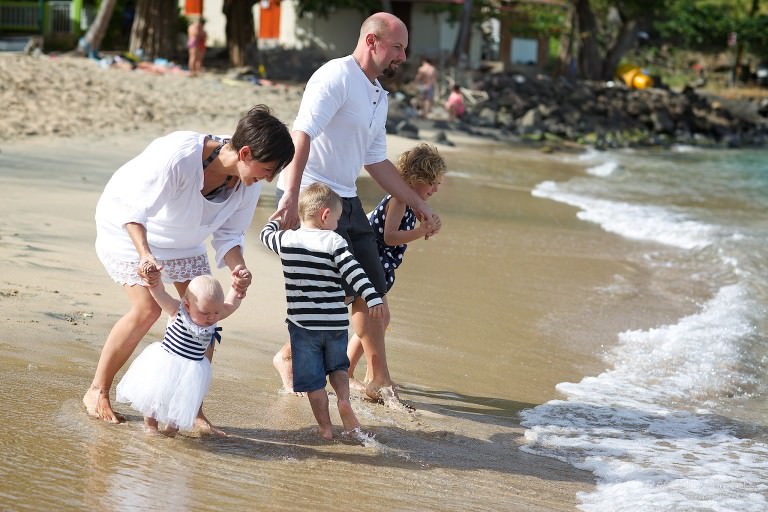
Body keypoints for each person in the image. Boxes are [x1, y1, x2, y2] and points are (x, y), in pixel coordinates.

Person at [83, 104, 295, 431]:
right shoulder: (179, 155)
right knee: (148, 310)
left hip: (184, 239)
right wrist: (145, 255)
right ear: (246, 153)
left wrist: (239, 268)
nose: (268, 179)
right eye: (268, 169)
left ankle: (192, 409)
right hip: (130, 229)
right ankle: (97, 390)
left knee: (205, 316)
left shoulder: (246, 183)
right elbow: (133, 209)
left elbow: (229, 234)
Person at [271, 12, 440, 405]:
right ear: (371, 41)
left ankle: (376, 377)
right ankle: (301, 360)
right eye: (397, 47)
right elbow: (303, 134)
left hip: (346, 197)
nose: (402, 56)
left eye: (404, 48)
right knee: (327, 296)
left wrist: (419, 204)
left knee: (372, 285)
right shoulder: (336, 77)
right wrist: (291, 196)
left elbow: (376, 161)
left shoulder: (379, 95)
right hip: (313, 196)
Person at [260, 183, 385, 440]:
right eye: (337, 219)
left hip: (303, 327)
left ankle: (325, 428)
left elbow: (265, 236)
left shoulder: (286, 239)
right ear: (326, 215)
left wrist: (276, 221)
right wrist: (372, 298)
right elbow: (355, 272)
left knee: (314, 383)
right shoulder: (334, 240)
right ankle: (343, 401)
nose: (338, 225)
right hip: (335, 323)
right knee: (338, 368)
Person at [347, 143, 445, 381]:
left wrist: (430, 225)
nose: (434, 189)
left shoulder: (410, 203)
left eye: (437, 184)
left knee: (381, 318)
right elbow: (389, 237)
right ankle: (357, 373)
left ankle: (348, 370)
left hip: (381, 264)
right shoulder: (399, 201)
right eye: (431, 183)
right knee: (376, 317)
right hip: (372, 262)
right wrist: (421, 231)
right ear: (414, 178)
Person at [116, 273, 244, 435]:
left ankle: (171, 430)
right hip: (167, 363)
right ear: (187, 305)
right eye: (205, 313)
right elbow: (160, 293)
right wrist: (153, 281)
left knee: (182, 401)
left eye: (216, 312)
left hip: (193, 371)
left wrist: (237, 288)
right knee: (156, 396)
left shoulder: (215, 314)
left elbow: (231, 304)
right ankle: (150, 426)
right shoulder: (177, 311)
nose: (212, 317)